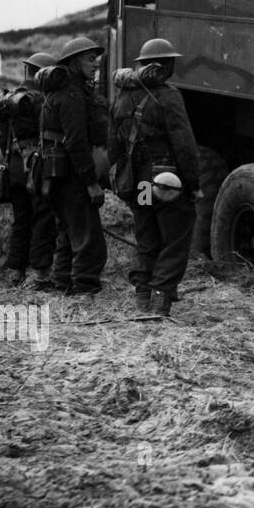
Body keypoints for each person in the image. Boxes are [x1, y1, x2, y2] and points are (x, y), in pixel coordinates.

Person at [107, 38, 201, 316]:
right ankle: (161, 296)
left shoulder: (122, 97)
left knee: (147, 237)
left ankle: (143, 296)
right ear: (164, 66)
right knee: (176, 237)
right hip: (165, 181)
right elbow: (185, 146)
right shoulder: (169, 96)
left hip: (139, 184)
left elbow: (113, 146)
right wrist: (194, 185)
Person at [0, 51, 58, 285]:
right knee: (43, 216)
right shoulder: (42, 99)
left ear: (27, 71)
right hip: (37, 167)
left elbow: (4, 140)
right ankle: (40, 273)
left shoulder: (8, 100)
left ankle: (16, 271)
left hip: (13, 167)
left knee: (21, 219)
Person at [35, 36, 109, 295]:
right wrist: (91, 183)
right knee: (91, 242)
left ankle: (63, 285)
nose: (96, 64)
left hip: (58, 177)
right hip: (73, 179)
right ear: (74, 62)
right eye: (90, 59)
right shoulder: (72, 95)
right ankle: (85, 292)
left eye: (96, 58)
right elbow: (76, 142)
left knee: (68, 235)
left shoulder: (63, 92)